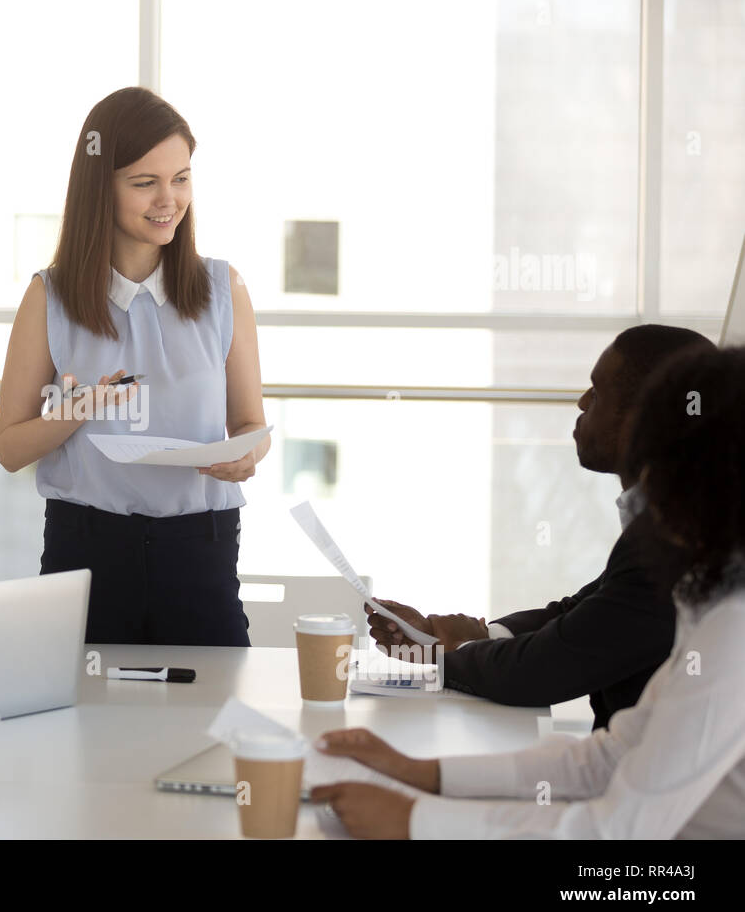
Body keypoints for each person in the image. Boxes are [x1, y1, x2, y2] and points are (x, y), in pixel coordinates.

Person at [312, 344, 745, 838]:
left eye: (657, 472)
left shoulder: (732, 626)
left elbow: (617, 831)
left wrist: (415, 820)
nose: (646, 497)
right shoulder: (711, 596)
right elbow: (610, 756)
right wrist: (424, 774)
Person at [0, 86, 269, 646]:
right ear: (101, 188)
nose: (168, 199)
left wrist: (248, 455)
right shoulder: (50, 298)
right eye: (145, 183)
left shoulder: (224, 288)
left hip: (201, 551)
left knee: (209, 725)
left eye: (181, 178)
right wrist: (77, 410)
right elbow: (10, 448)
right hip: (87, 551)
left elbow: (249, 424)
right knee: (82, 727)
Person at [366, 325, 713, 728]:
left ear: (643, 420)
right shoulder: (674, 520)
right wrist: (444, 636)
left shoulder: (676, 543)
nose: (581, 402)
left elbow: (543, 671)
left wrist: (445, 654)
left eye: (597, 394)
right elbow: (576, 614)